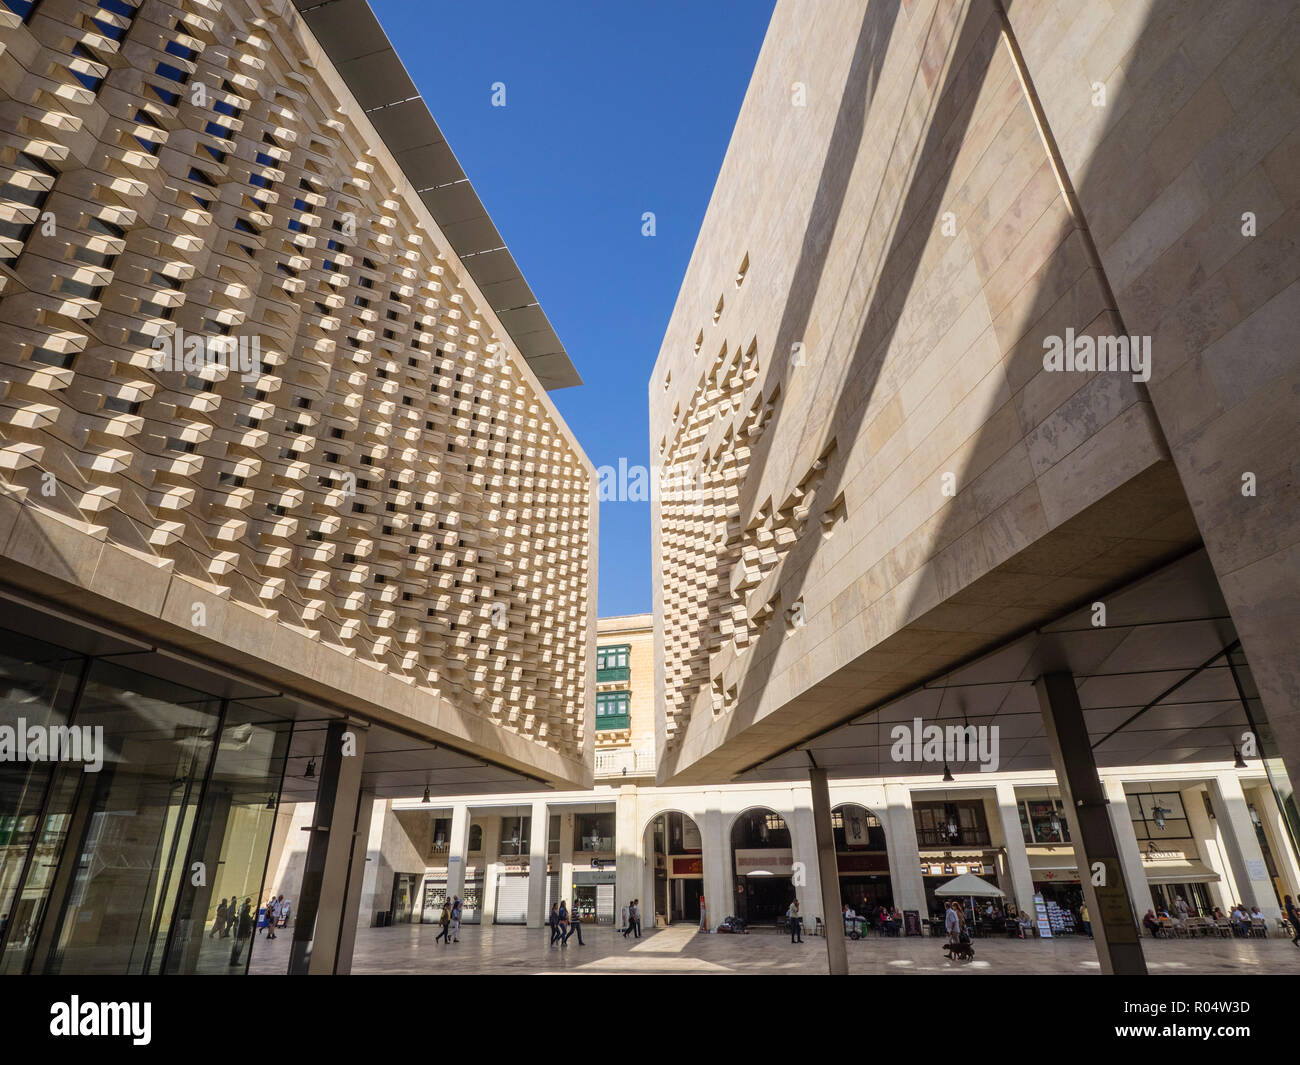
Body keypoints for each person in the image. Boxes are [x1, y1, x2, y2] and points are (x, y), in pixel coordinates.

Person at [229, 898, 254, 966]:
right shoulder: (246, 916)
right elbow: (247, 926)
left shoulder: (241, 915)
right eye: (249, 909)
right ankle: (234, 961)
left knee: (236, 948)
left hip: (238, 934)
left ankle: (233, 961)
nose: (249, 910)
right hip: (241, 935)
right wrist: (247, 935)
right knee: (238, 949)